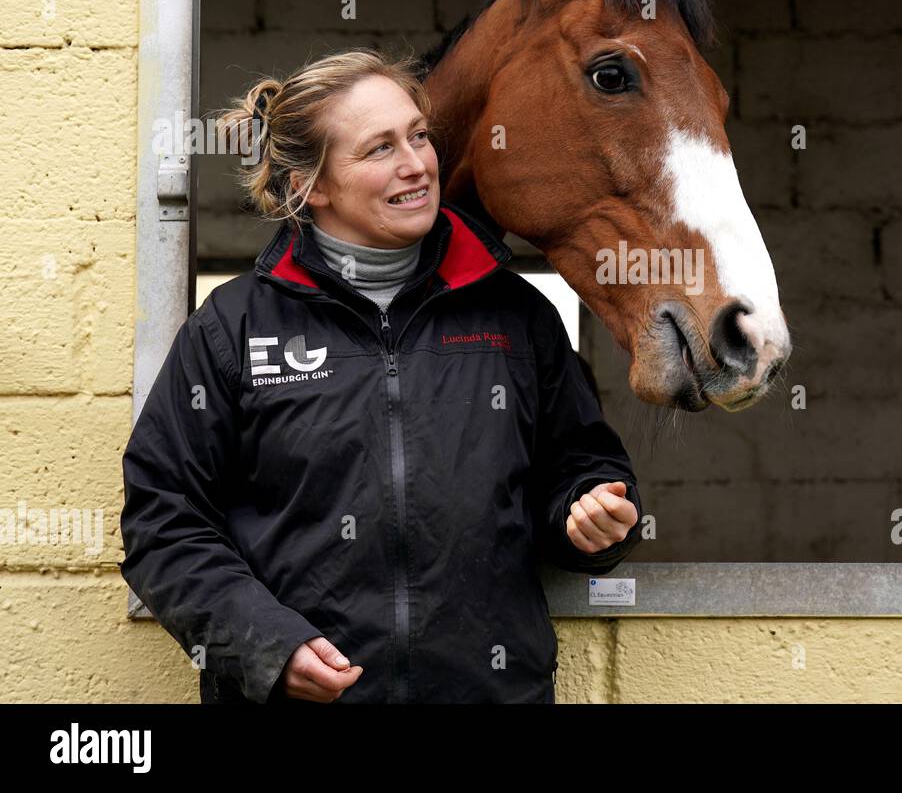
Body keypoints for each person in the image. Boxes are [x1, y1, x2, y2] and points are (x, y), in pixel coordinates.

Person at [120, 48, 645, 703]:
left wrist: (591, 513)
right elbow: (163, 523)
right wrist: (264, 642)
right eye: (379, 149)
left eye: (419, 137)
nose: (417, 165)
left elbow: (582, 465)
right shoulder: (232, 329)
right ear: (310, 187)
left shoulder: (515, 316)